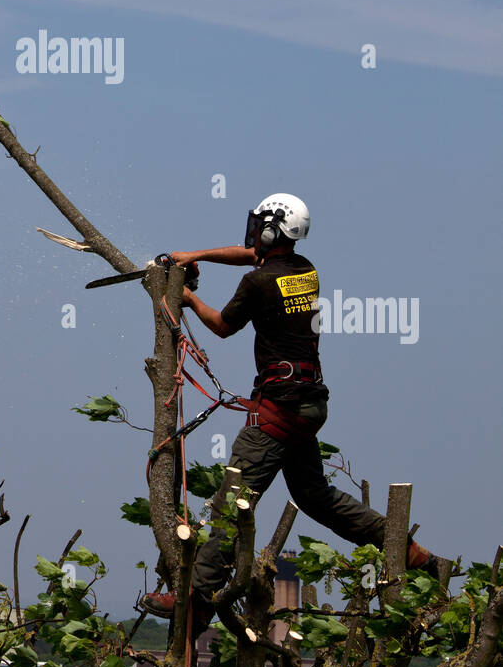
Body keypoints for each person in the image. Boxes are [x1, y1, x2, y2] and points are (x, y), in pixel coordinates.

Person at [141, 193, 439, 631]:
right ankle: (414, 555)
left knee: (231, 501)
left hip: (277, 410)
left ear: (268, 231)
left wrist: (186, 297)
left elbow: (222, 326)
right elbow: (254, 258)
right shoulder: (305, 271)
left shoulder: (257, 284)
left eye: (259, 227)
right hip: (309, 404)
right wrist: (197, 254)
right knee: (317, 498)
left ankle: (197, 597)